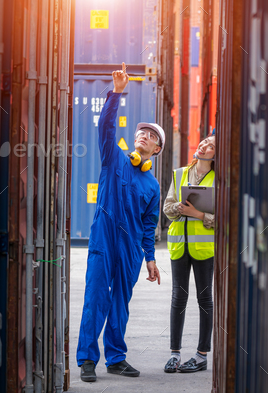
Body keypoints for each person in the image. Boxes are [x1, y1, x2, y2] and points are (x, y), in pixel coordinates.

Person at [77, 62, 163, 382]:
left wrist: (150, 258)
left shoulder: (152, 186)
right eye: (142, 131)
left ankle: (116, 357)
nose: (144, 135)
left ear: (156, 149)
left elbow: (148, 226)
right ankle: (87, 358)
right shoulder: (115, 156)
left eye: (151, 135)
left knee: (120, 302)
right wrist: (117, 92)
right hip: (104, 234)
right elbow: (106, 128)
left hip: (130, 248)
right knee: (96, 295)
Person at [162, 135, 216, 373]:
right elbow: (167, 207)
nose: (204, 146)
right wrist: (179, 208)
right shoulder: (179, 173)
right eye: (204, 142)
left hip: (204, 249)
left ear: (216, 155)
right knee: (178, 299)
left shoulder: (219, 179)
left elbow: (224, 217)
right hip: (179, 246)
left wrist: (198, 215)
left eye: (211, 146)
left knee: (204, 300)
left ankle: (201, 355)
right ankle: (175, 354)